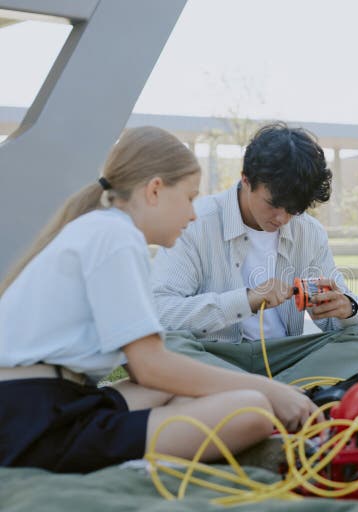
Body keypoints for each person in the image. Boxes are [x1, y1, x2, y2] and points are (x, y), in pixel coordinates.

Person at [0, 127, 317, 473]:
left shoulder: (102, 227)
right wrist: (272, 391)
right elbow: (151, 367)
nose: (194, 214)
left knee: (190, 394)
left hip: (43, 402)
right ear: (155, 190)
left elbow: (149, 373)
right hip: (33, 423)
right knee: (253, 410)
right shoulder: (116, 236)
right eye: (189, 198)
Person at [152, 122, 358, 384]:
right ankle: (285, 394)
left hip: (285, 356)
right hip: (215, 355)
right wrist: (247, 299)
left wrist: (345, 309)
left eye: (294, 209)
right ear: (246, 179)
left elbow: (336, 324)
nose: (282, 218)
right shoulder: (197, 222)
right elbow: (160, 312)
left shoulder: (309, 232)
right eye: (273, 204)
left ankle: (261, 395)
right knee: (162, 344)